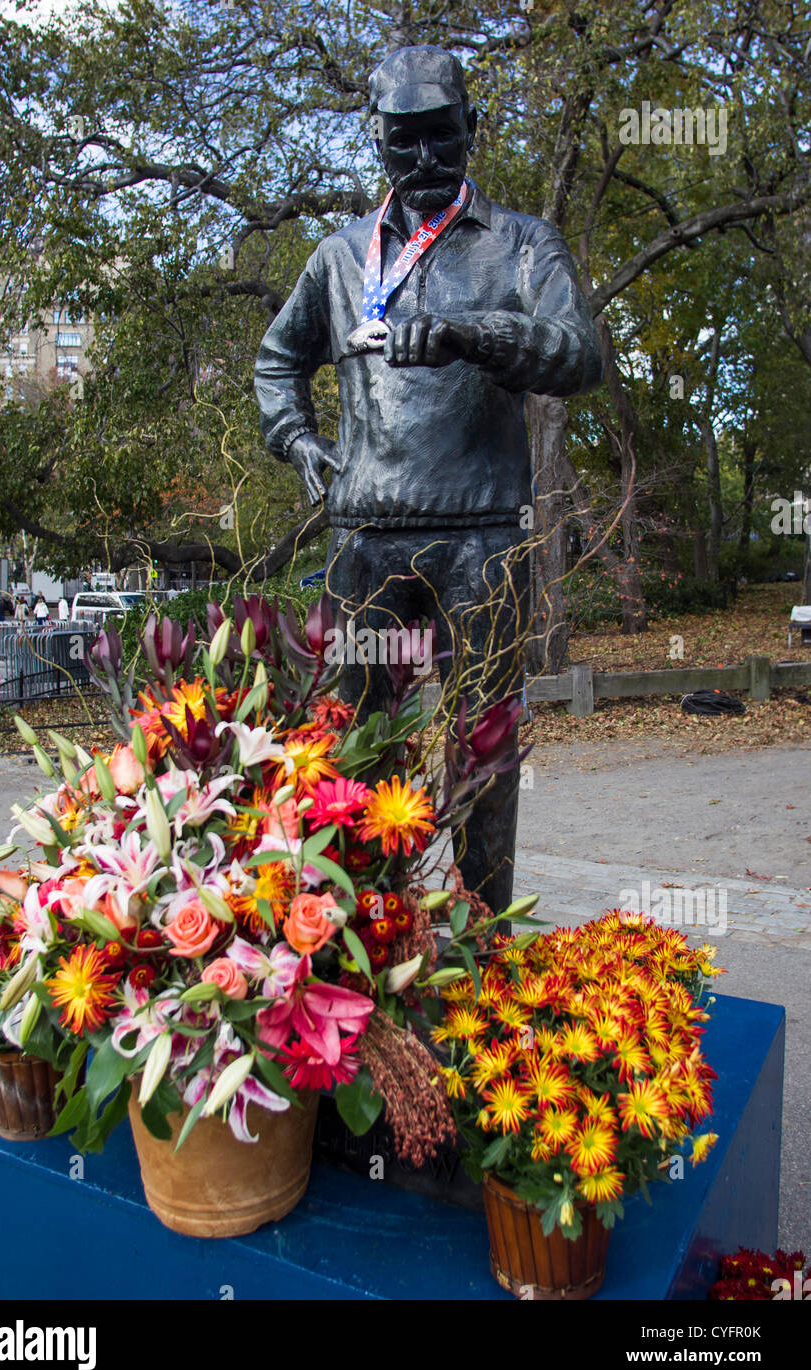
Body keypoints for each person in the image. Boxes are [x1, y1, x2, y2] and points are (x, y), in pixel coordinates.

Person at [254, 45, 601, 911]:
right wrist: (298, 441)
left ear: (471, 131)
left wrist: (468, 331)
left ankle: (481, 940)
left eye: (440, 138)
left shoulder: (523, 245)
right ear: (374, 140)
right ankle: (362, 940)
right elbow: (276, 360)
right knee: (356, 752)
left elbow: (580, 354)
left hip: (481, 537)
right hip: (363, 538)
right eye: (400, 143)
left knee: (483, 749)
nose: (422, 161)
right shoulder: (339, 259)